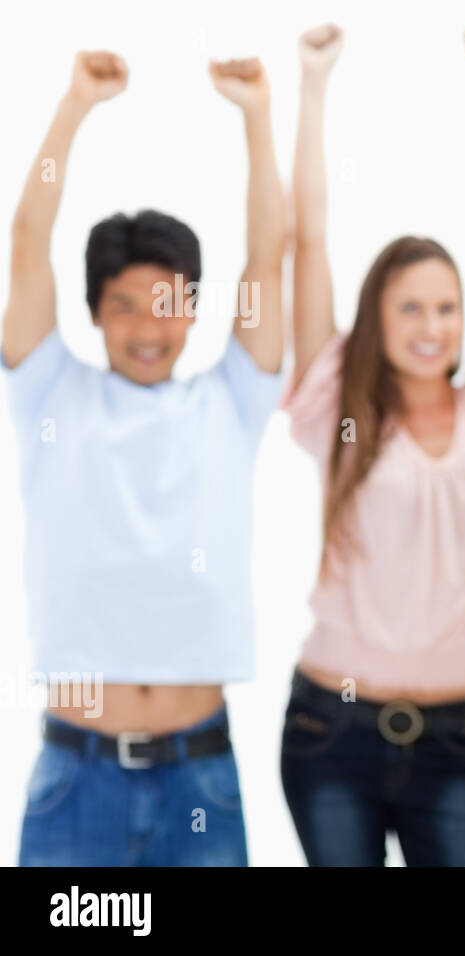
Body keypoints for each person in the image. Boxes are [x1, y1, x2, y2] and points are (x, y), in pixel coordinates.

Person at [1, 51, 285, 865]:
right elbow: (26, 241)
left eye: (166, 304)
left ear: (193, 310)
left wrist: (258, 117)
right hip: (74, 775)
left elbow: (270, 259)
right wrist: (76, 103)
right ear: (93, 312)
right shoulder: (50, 393)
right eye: (123, 305)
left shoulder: (231, 400)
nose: (147, 326)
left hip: (200, 778)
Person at [278, 23, 465, 867]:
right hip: (331, 727)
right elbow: (308, 240)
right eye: (410, 308)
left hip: (453, 735)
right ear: (375, 319)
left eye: (446, 307)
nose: (433, 327)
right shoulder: (335, 412)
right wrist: (313, 84)